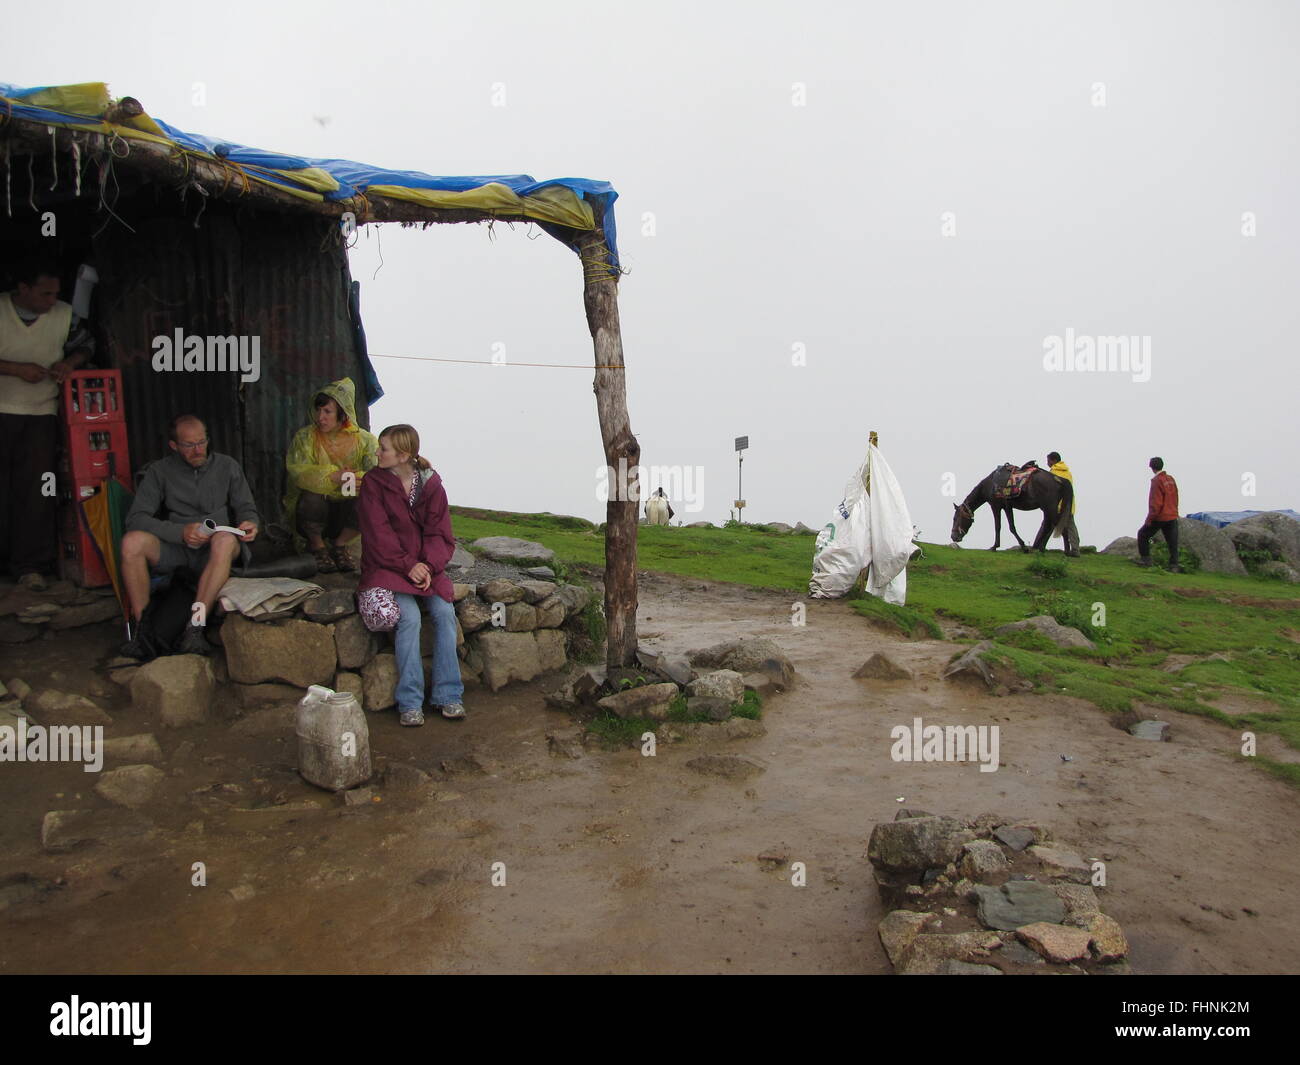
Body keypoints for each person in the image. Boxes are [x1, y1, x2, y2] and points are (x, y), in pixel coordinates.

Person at [119, 415, 260, 657]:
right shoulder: (159, 471)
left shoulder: (227, 466)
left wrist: (251, 523)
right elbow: (136, 519)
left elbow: (247, 507)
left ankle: (195, 627)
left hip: (218, 550)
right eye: (189, 445)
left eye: (202, 442)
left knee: (224, 540)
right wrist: (179, 532)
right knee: (131, 543)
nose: (198, 450)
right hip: (179, 547)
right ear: (174, 446)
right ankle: (145, 631)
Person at [356, 424, 463, 726]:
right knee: (410, 618)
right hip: (387, 567)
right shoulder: (373, 485)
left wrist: (428, 565)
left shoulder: (431, 486)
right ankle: (410, 702)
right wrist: (408, 565)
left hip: (426, 569)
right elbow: (378, 535)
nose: (377, 452)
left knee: (444, 613)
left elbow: (440, 534)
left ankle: (449, 695)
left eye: (384, 448)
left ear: (403, 455)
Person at [0, 258, 94, 591]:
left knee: (36, 491)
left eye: (55, 293)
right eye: (44, 294)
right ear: (22, 289)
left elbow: (86, 345)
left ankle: (30, 567)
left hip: (40, 415)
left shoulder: (63, 315)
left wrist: (68, 363)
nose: (52, 301)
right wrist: (14, 369)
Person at [284, 378, 377, 573]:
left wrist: (354, 479)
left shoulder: (365, 440)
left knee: (370, 500)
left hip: (346, 512)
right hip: (314, 515)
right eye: (319, 410)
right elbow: (298, 471)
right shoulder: (306, 437)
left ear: (342, 413)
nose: (321, 417)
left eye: (327, 411)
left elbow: (376, 474)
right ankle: (317, 546)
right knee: (310, 497)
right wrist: (331, 477)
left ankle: (340, 545)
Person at [1136, 456, 1181, 572]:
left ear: (1151, 467)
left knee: (1142, 534)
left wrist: (1150, 518)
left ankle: (1146, 560)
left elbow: (1156, 502)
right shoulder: (1170, 479)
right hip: (1172, 514)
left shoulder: (1156, 481)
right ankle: (1174, 565)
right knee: (1172, 542)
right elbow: (1176, 496)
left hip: (1160, 516)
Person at [1046, 451, 1080, 557]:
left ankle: (1038, 547)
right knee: (1071, 526)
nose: (1047, 463)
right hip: (1069, 503)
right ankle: (1075, 549)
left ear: (1054, 460)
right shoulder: (1067, 472)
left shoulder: (1053, 472)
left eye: (1048, 461)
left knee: (1048, 524)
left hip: (1058, 504)